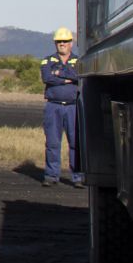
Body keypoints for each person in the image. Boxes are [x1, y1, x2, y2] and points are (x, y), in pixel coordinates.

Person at [40, 26, 81, 187]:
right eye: (59, 41)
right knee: (52, 143)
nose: (62, 44)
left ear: (71, 43)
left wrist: (59, 74)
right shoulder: (47, 61)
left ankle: (78, 177)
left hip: (73, 107)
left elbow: (78, 76)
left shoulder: (79, 61)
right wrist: (68, 78)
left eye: (65, 41)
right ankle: (51, 175)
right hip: (53, 106)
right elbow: (47, 78)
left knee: (76, 143)